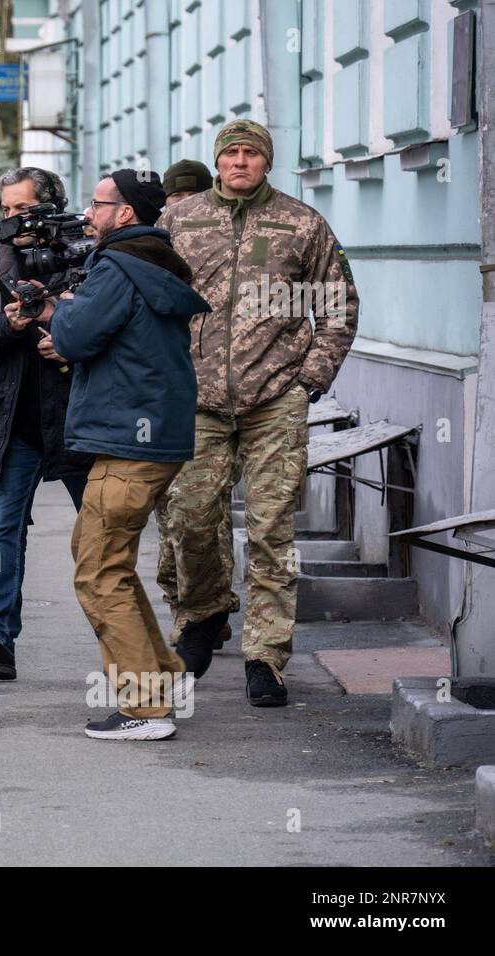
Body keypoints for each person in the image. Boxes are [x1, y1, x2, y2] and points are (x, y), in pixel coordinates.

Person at [159, 119, 359, 706]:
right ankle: (203, 611)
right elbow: (147, 296)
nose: (240, 163)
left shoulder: (303, 224)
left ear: (266, 162)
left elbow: (339, 305)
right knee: (190, 518)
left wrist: (309, 379)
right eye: (231, 154)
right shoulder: (180, 220)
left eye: (251, 154)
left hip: (275, 400)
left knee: (272, 529)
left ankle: (266, 657)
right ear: (217, 162)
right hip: (196, 399)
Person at [48, 170, 208, 741]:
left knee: (97, 571)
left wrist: (58, 313)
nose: (89, 213)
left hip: (127, 442)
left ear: (125, 214)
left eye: (98, 203)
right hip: (153, 436)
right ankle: (163, 675)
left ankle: (145, 708)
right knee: (104, 560)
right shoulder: (153, 263)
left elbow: (74, 338)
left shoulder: (116, 267)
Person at [0, 167, 93, 683]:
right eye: (5, 209)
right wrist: (6, 327)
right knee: (3, 530)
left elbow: (114, 324)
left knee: (101, 532)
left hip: (79, 417)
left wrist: (69, 334)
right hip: (14, 419)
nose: (10, 219)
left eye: (20, 209)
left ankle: (123, 642)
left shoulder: (88, 251)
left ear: (49, 206)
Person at [153, 157, 241, 651]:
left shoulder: (228, 240)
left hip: (217, 397)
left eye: (192, 197)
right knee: (176, 518)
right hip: (171, 394)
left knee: (205, 517)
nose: (183, 207)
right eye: (174, 200)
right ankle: (187, 609)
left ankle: (203, 614)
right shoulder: (164, 241)